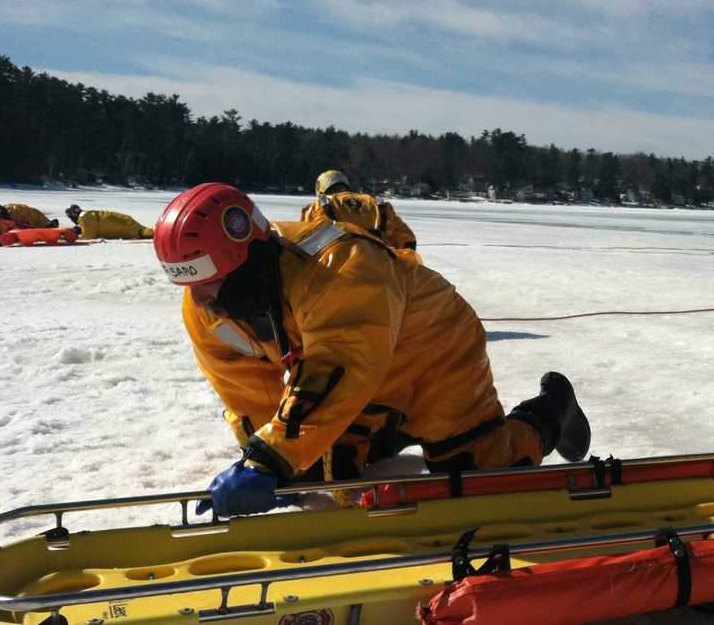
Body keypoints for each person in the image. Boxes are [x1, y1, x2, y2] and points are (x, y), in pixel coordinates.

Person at [155, 183, 591, 517]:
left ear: (247, 257)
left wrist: (270, 457)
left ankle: (551, 412)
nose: (201, 299)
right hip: (360, 381)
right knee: (323, 473)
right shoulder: (208, 308)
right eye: (188, 284)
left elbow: (339, 363)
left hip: (435, 355)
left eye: (209, 283)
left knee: (476, 473)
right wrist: (269, 456)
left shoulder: (340, 266)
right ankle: (390, 432)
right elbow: (247, 391)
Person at [301, 169, 420, 265]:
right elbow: (407, 240)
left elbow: (305, 247)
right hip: (381, 273)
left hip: (337, 275)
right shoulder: (376, 204)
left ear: (320, 190)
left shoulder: (320, 206)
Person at [66, 204, 155, 240]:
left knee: (139, 232)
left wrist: (74, 237)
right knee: (139, 230)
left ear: (73, 215)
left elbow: (89, 235)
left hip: (121, 225)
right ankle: (155, 231)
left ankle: (158, 232)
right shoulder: (88, 215)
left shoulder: (84, 217)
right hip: (123, 221)